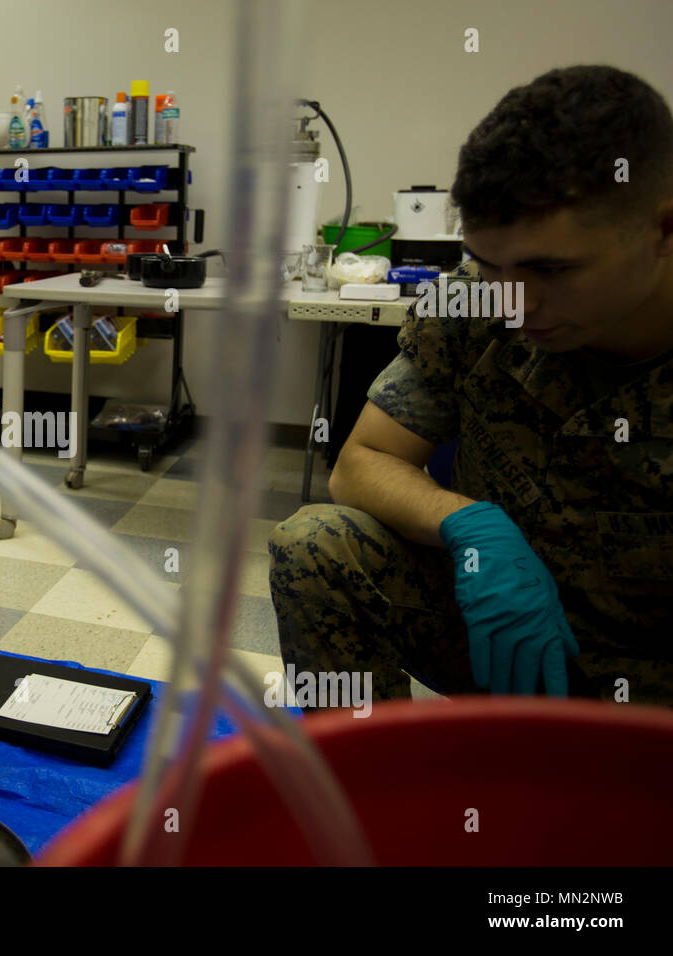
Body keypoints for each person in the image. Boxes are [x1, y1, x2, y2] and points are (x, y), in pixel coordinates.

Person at [270, 65, 673, 707]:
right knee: (317, 546)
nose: (514, 302)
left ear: (662, 230)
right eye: (491, 264)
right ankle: (364, 788)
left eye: (550, 268)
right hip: (497, 625)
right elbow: (362, 462)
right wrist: (468, 523)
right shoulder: (468, 301)